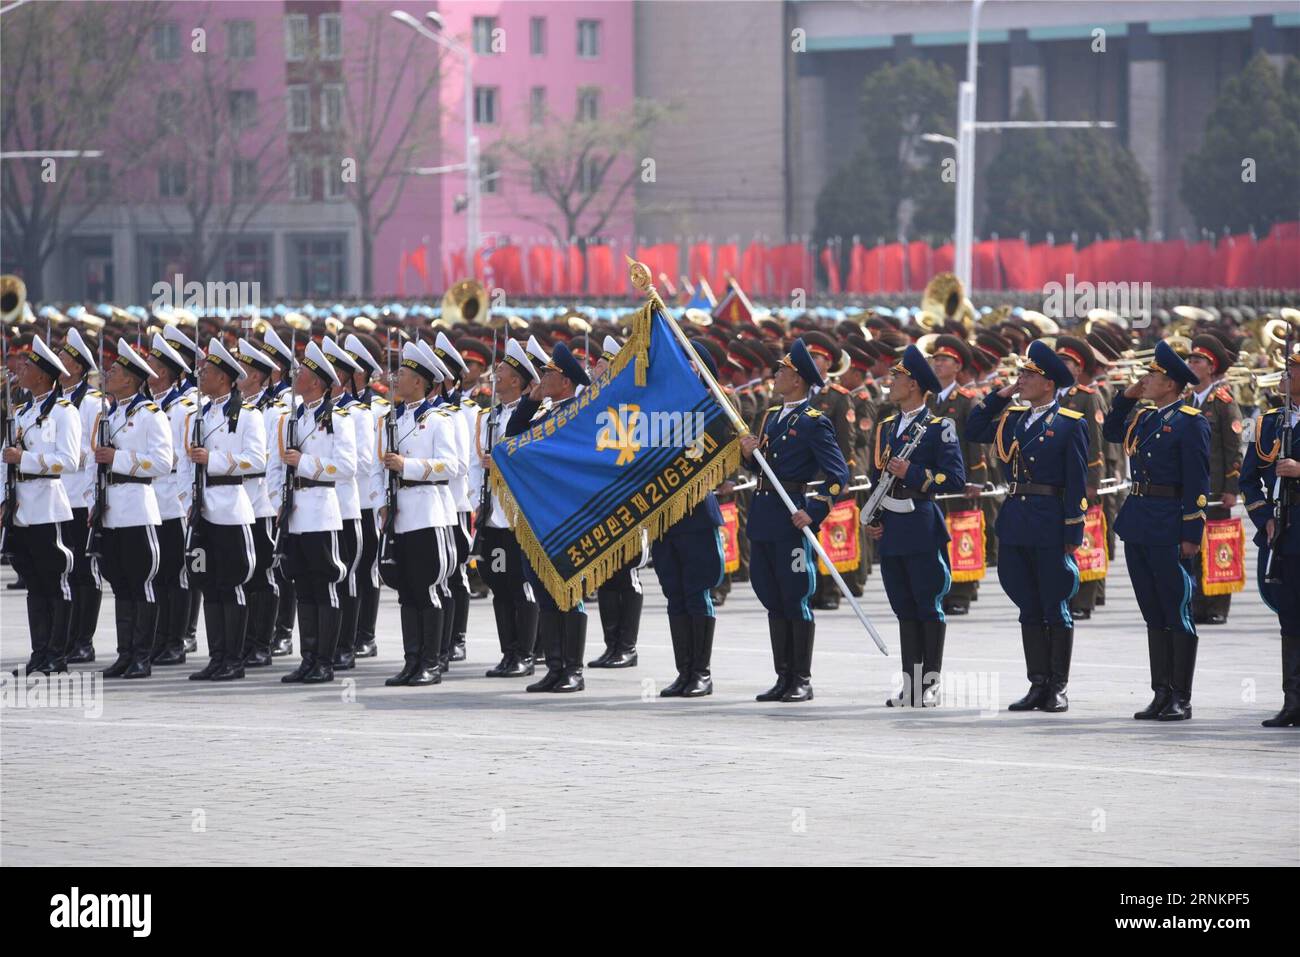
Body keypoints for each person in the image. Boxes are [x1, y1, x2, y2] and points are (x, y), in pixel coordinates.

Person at [968, 340, 1088, 712]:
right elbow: (973, 427)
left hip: (1050, 518)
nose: (1021, 380)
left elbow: (1077, 481)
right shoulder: (1013, 418)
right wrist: (1001, 394)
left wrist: (1073, 531)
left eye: (1028, 375)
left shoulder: (1070, 424)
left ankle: (1058, 686)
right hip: (1017, 519)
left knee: (1055, 604)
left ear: (1048, 383)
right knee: (1027, 605)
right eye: (1020, 374)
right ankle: (1037, 683)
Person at [1102, 340, 1210, 721]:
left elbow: (1198, 483)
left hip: (1169, 524)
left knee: (1177, 609)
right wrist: (1127, 395)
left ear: (1172, 383)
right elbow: (1112, 431)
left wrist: (1191, 534)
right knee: (1153, 612)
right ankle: (1160, 692)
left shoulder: (1192, 422)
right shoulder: (1145, 417)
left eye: (1153, 375)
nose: (1145, 379)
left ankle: (1181, 695)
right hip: (1139, 521)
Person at [739, 337, 849, 703]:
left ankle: (801, 677)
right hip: (764, 513)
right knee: (772, 598)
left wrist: (815, 510)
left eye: (783, 370)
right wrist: (749, 455)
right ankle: (782, 675)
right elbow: (762, 468)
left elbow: (838, 476)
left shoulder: (815, 422)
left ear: (798, 379)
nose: (776, 374)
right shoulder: (771, 415)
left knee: (794, 596)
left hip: (792, 516)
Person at [865, 344, 965, 707]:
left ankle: (930, 684)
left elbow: (954, 478)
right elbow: (875, 477)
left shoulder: (940, 427)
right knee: (904, 608)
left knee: (927, 604)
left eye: (898, 377)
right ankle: (911, 683)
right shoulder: (886, 426)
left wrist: (916, 473)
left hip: (920, 522)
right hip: (892, 527)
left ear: (916, 385)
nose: (891, 382)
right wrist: (874, 518)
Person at [505, 339, 591, 692]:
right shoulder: (545, 412)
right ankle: (554, 665)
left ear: (566, 382)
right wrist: (530, 400)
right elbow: (512, 435)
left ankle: (573, 669)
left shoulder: (581, 415)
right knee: (543, 591)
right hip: (538, 518)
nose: (541, 377)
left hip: (567, 518)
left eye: (548, 374)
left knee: (568, 593)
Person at [269, 341, 357, 684]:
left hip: (322, 510)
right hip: (296, 511)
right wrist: (279, 500)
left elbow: (347, 468)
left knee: (325, 586)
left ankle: (325, 660)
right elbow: (276, 465)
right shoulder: (295, 418)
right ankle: (308, 658)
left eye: (302, 372)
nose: (296, 376)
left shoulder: (338, 419)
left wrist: (304, 463)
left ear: (318, 383)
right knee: (303, 587)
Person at [379, 341, 463, 686]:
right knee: (408, 591)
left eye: (403, 374)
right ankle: (411, 659)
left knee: (428, 588)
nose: (396, 379)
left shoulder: (440, 419)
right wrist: (382, 501)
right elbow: (377, 464)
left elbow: (453, 466)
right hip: (402, 512)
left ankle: (432, 660)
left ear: (420, 381)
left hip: (430, 510)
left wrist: (408, 466)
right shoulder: (392, 419)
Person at [184, 337, 266, 681]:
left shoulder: (247, 414)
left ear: (224, 378)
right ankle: (217, 656)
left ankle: (234, 658)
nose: (201, 376)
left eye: (208, 371)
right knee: (209, 584)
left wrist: (213, 460)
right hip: (203, 508)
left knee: (232, 585)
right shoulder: (200, 414)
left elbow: (256, 460)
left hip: (231, 507)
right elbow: (184, 464)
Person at [1, 335, 81, 674]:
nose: (22, 369)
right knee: (34, 583)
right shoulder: (22, 412)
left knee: (55, 580)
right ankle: (39, 651)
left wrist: (27, 458)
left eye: (30, 366)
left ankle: (57, 653)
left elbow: (70, 460)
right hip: (22, 506)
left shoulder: (65, 412)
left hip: (48, 503)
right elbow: (5, 459)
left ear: (45, 375)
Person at [95, 339, 173, 679]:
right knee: (121, 584)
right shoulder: (111, 413)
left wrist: (119, 459)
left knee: (142, 584)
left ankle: (142, 655)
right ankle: (125, 653)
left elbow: (163, 462)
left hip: (138, 508)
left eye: (114, 371)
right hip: (112, 508)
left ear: (129, 379)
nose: (107, 375)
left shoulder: (150, 415)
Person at [656, 338, 727, 697]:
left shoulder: (711, 406)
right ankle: (683, 671)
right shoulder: (658, 409)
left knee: (697, 593)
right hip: (664, 516)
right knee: (675, 595)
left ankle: (701, 672)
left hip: (697, 513)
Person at [471, 337, 541, 678]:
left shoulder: (536, 415)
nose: (495, 377)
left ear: (517, 379)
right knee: (500, 584)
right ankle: (508, 651)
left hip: (520, 516)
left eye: (501, 372)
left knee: (521, 585)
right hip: (495, 515)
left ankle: (526, 653)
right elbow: (475, 465)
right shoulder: (490, 417)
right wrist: (476, 503)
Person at [1239, 347, 1299, 727]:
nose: (1286, 375)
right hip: (1285, 534)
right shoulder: (1270, 423)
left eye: (1292, 370)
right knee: (1290, 619)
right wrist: (1265, 520)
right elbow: (1249, 480)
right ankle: (1292, 699)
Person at [589, 335, 647, 669]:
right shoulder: (593, 406)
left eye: (603, 364)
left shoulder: (634, 406)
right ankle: (612, 644)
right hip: (601, 501)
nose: (596, 369)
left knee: (627, 575)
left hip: (628, 502)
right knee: (605, 576)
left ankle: (627, 645)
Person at [56, 328, 109, 664]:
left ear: (76, 367)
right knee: (62, 570)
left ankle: (83, 640)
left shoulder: (90, 403)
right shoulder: (56, 402)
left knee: (84, 572)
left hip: (80, 497)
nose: (56, 363)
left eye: (62, 358)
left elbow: (89, 454)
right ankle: (64, 635)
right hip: (57, 497)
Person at [144, 332, 196, 666]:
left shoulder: (183, 408)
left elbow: (179, 457)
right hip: (153, 501)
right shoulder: (154, 406)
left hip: (172, 502)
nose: (145, 367)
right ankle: (159, 637)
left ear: (164, 372)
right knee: (157, 574)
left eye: (151, 364)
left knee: (176, 575)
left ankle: (175, 640)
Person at [1185, 333, 1244, 626]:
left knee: (1219, 546)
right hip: (1189, 488)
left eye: (1198, 361)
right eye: (1191, 359)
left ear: (1211, 367)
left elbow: (1234, 448)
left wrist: (1232, 487)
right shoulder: (1185, 399)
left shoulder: (1223, 401)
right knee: (1192, 545)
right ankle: (1197, 602)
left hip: (1216, 487)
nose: (1191, 364)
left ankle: (1218, 605)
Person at [234, 338, 286, 669]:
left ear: (256, 376)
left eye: (243, 371)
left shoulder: (274, 410)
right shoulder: (237, 408)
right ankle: (243, 640)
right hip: (236, 501)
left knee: (263, 575)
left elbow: (270, 458)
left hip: (262, 500)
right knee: (241, 572)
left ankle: (261, 642)